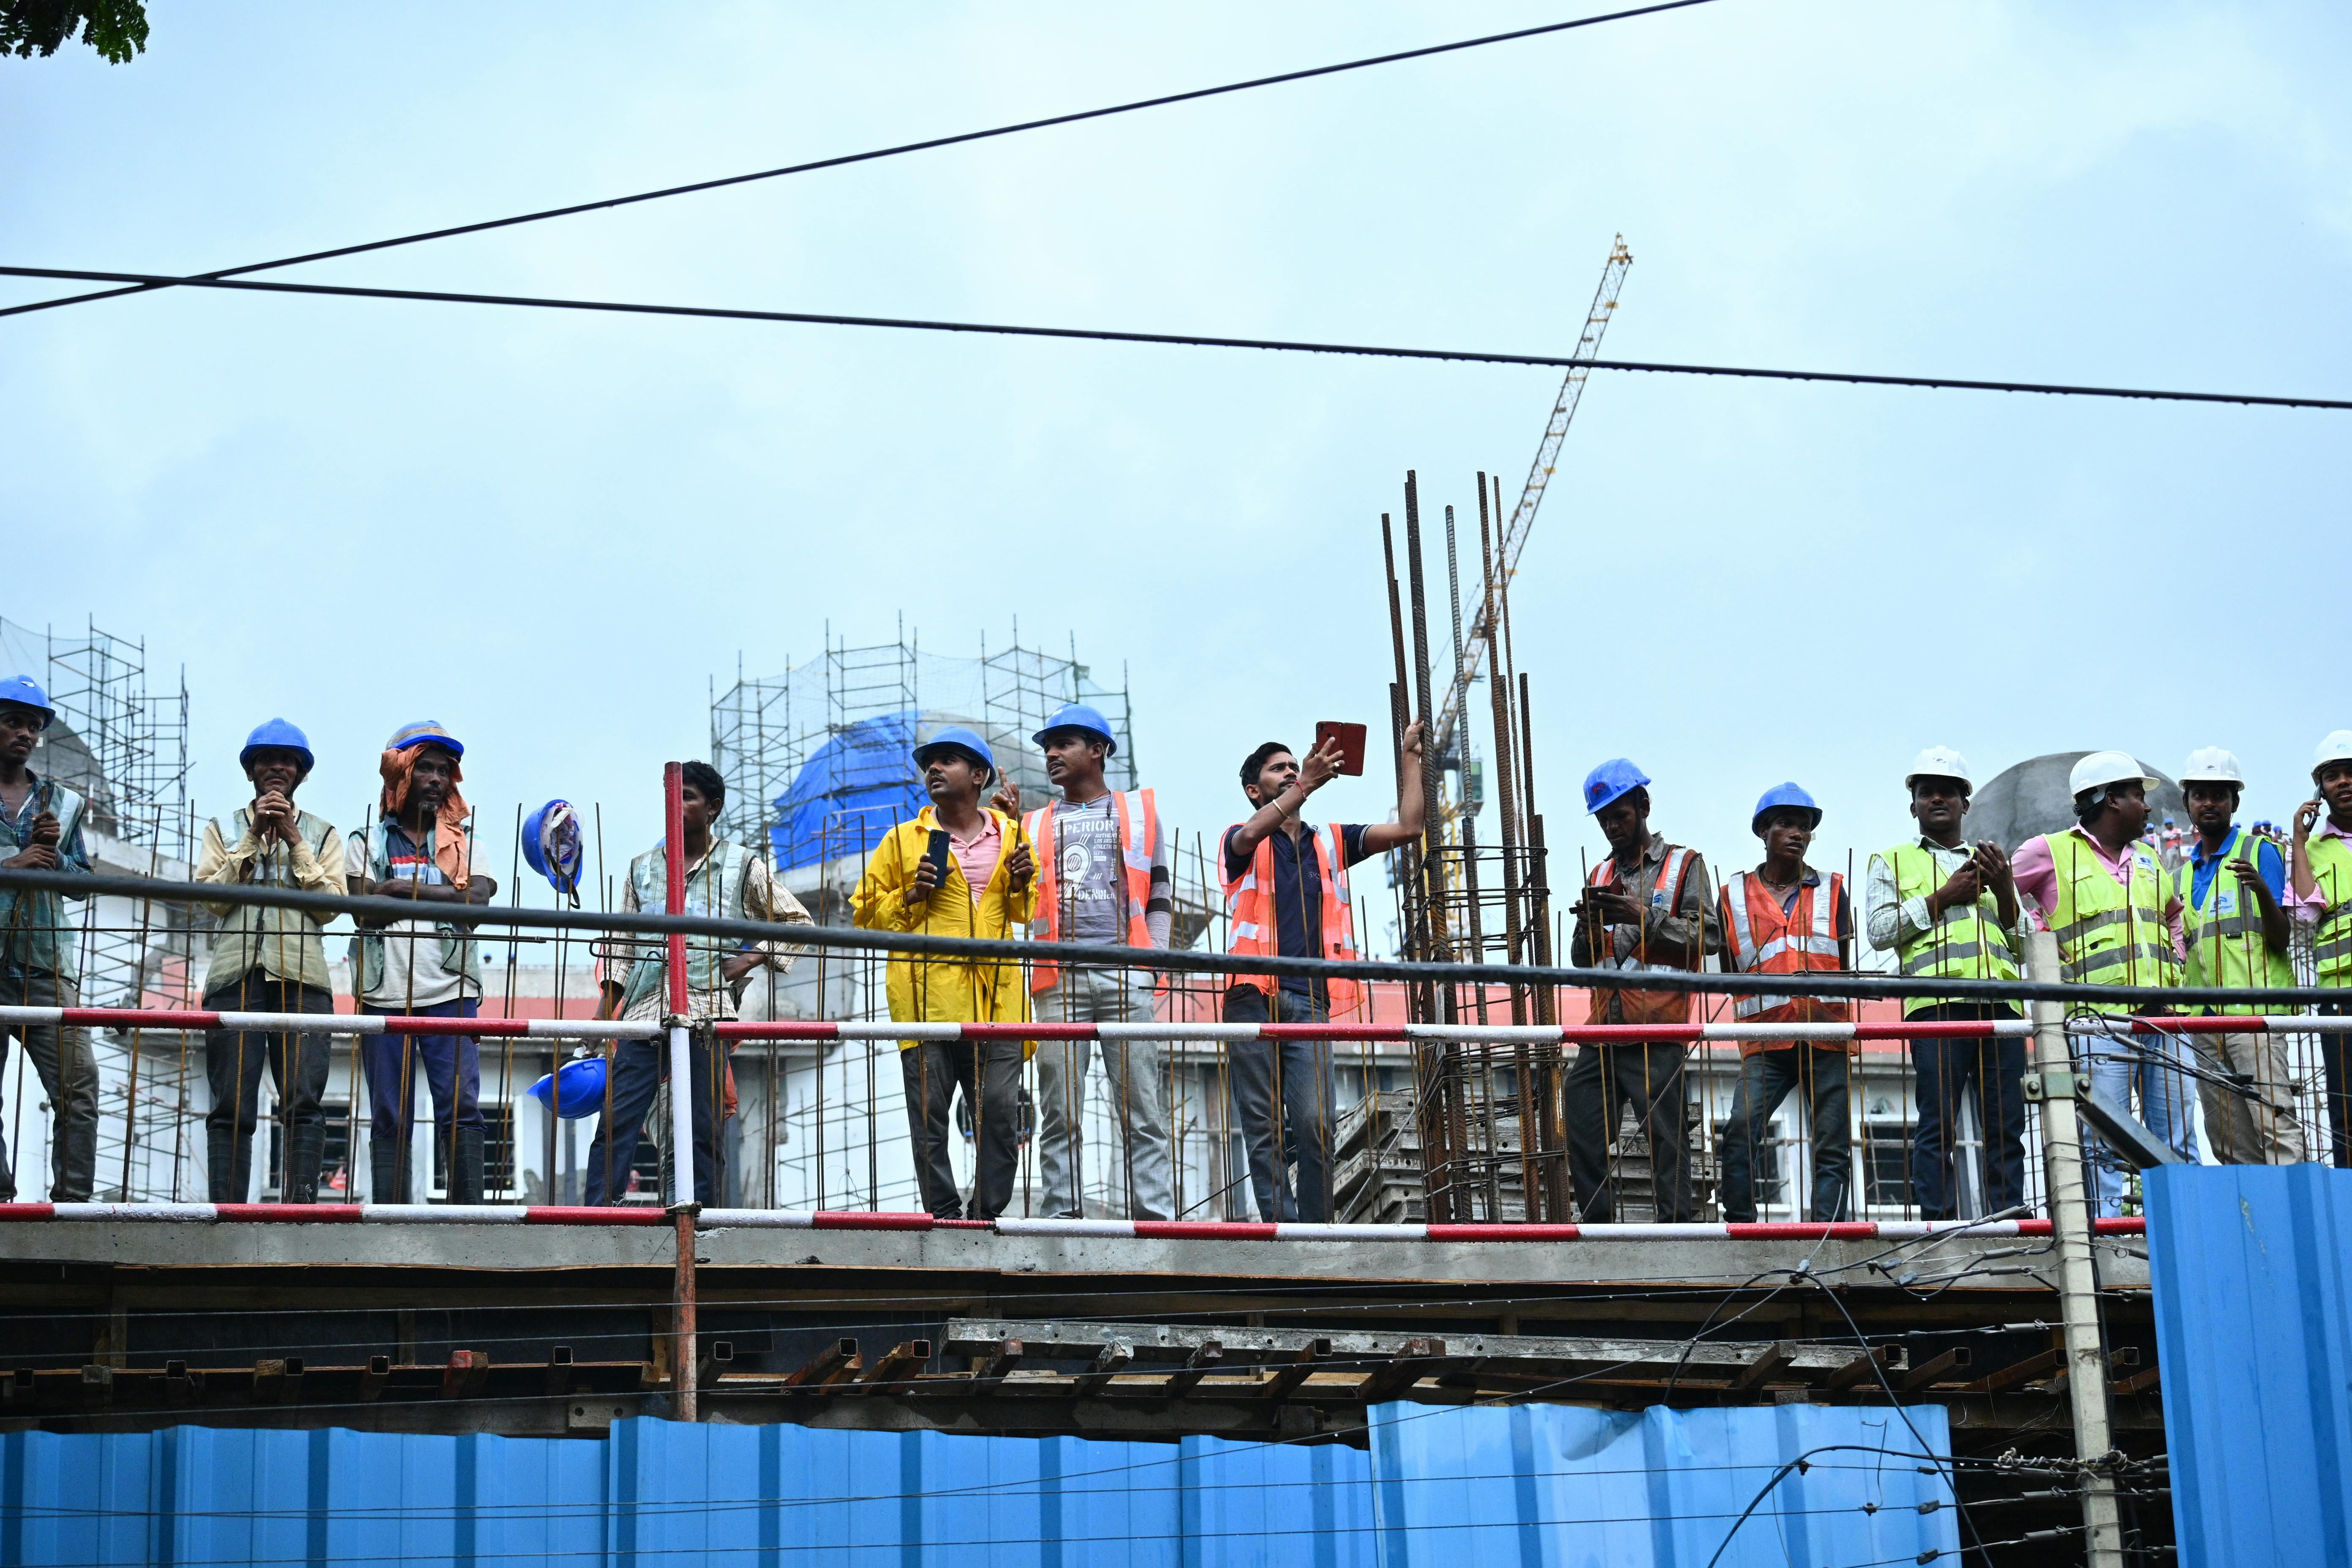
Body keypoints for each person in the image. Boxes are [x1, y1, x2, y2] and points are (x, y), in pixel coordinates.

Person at [1220, 720, 1426, 1222]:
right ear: (1255, 789)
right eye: (1279, 769)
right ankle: (1280, 1228)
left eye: (1295, 765)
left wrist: (1411, 757)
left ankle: (1315, 1229)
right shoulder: (1239, 839)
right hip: (1252, 995)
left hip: (1311, 999)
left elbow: (1410, 828)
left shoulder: (1329, 841)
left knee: (1315, 1123)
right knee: (1263, 1126)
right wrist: (1308, 782)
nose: (1291, 771)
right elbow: (1251, 833)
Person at [585, 760, 812, 1206]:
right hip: (645, 1014)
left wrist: (747, 959)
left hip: (708, 1014)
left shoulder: (742, 865)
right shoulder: (642, 868)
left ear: (714, 808)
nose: (676, 804)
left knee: (704, 1126)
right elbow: (622, 949)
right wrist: (600, 1021)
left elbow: (797, 921)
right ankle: (595, 1213)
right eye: (670, 795)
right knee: (616, 1121)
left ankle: (703, 1218)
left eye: (687, 796)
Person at [849, 726, 1034, 1220]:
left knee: (999, 1109)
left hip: (998, 996)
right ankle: (945, 1213)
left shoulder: (1013, 833)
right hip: (925, 994)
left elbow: (1022, 911)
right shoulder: (903, 839)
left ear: (978, 776)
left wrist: (1021, 880)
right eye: (929, 763)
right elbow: (865, 914)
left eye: (947, 760)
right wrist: (910, 895)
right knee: (929, 1114)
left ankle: (987, 1211)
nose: (933, 769)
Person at [2011, 750, 2192, 1215]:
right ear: (2110, 800)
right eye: (2136, 795)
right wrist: (2038, 937)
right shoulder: (2047, 851)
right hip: (2098, 1023)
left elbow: (2175, 917)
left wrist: (2176, 958)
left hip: (2166, 1019)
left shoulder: (2149, 859)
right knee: (2102, 1141)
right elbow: (2001, 901)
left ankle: (2181, 1234)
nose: (2147, 806)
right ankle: (2108, 1241)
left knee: (2176, 1142)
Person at [1021, 702, 1174, 1220]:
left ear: (1100, 750)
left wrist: (1150, 965)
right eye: (1048, 747)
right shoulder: (1033, 822)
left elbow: (1158, 893)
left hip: (1124, 972)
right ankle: (1062, 1213)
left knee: (1143, 1108)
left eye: (1064, 744)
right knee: (1060, 1109)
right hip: (1057, 979)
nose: (1052, 754)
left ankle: (1154, 1217)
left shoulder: (1137, 812)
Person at [1862, 747, 2026, 1221]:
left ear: (1965, 803)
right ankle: (1939, 1218)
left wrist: (2005, 891)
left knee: (2006, 1123)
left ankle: (2007, 1214)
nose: (1937, 799)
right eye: (1926, 792)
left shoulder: (1993, 862)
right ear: (1912, 804)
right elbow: (1879, 930)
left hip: (2000, 1007)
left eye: (1948, 792)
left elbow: (2020, 948)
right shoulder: (1891, 860)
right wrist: (1942, 897)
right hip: (1936, 1007)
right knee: (1938, 1122)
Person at [346, 721, 499, 1203]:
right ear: (402, 775)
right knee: (389, 1111)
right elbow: (363, 909)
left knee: (461, 1106)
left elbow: (476, 903)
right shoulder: (366, 840)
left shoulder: (465, 843)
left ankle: (469, 1219)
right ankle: (391, 1217)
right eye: (424, 768)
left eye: (444, 771)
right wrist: (438, 895)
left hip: (450, 992)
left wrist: (395, 888)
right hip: (383, 994)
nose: (436, 779)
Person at [193, 719, 344, 1203]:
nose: (277, 768)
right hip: (234, 976)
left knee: (303, 1100)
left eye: (287, 761)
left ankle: (300, 1208)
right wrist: (253, 840)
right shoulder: (224, 829)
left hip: (302, 978)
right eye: (266, 759)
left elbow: (330, 906)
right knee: (231, 1102)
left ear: (300, 773)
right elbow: (211, 900)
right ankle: (228, 1212)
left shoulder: (323, 834)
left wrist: (296, 841)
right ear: (251, 771)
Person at [1564, 760, 1717, 1222]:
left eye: (1620, 815)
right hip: (1606, 1028)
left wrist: (1641, 916)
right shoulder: (1598, 874)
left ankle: (1676, 1232)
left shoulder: (1683, 865)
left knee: (1667, 1140)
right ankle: (1598, 1230)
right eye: (1604, 818)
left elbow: (1708, 937)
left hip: (1657, 1026)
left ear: (1643, 806)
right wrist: (1588, 926)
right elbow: (1583, 960)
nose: (1612, 826)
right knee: (1580, 1119)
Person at [1715, 784, 1854, 1222]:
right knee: (1741, 1131)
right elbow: (1730, 974)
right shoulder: (1732, 896)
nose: (1797, 833)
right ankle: (1741, 1227)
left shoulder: (1833, 890)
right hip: (1766, 1041)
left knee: (1832, 1143)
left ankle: (1825, 1234)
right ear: (1763, 832)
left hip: (1825, 1036)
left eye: (1804, 826)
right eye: (1785, 824)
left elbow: (1843, 967)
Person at [2169, 748, 2303, 1165]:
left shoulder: (2260, 851)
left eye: (2219, 795)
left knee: (2274, 1124)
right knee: (2227, 1138)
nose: (2209, 803)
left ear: (2235, 802)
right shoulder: (2182, 874)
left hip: (2254, 1018)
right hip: (2206, 1025)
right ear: (2187, 803)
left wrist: (2263, 890)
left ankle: (2293, 1225)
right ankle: (2254, 1226)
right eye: (2200, 795)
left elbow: (2281, 938)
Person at [0, 675, 98, 1203]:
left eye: (33, 727)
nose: (25, 734)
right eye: (14, 722)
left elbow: (83, 882)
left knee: (78, 1086)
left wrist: (54, 856)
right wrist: (12, 863)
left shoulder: (61, 803)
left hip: (44, 965)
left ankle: (74, 1203)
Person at [2290, 730, 2352, 1166]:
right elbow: (2303, 914)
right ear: (2321, 789)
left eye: (2351, 773)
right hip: (2340, 999)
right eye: (2333, 776)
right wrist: (2297, 838)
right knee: (2346, 1110)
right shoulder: (2311, 849)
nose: (2345, 782)